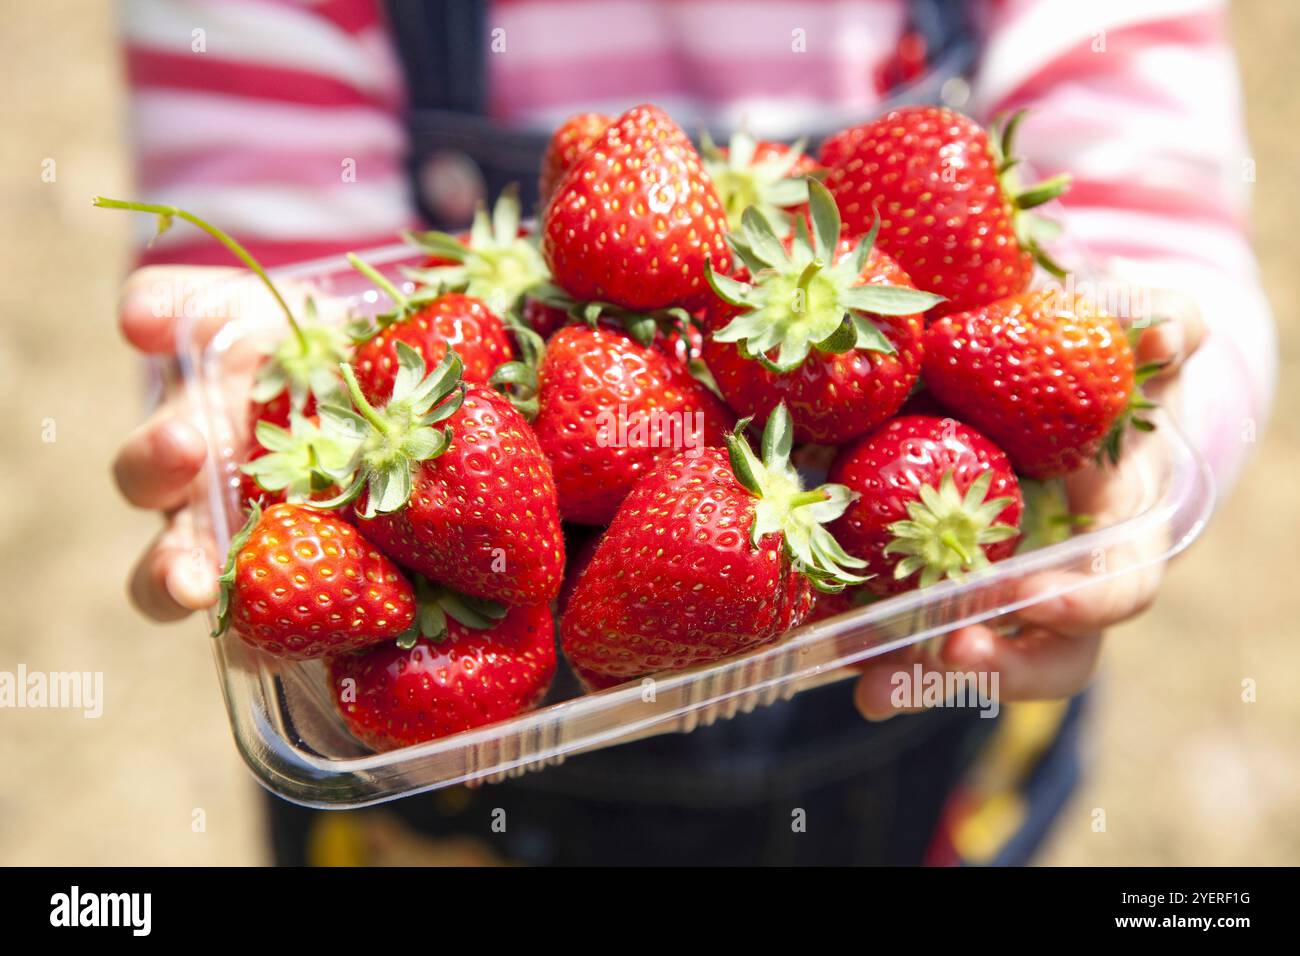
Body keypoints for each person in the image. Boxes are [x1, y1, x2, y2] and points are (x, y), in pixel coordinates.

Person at [111, 0, 1274, 865]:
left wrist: (1155, 424)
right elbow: (286, 263)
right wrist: (266, 370)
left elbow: (1142, 186)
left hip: (909, 717)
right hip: (464, 803)